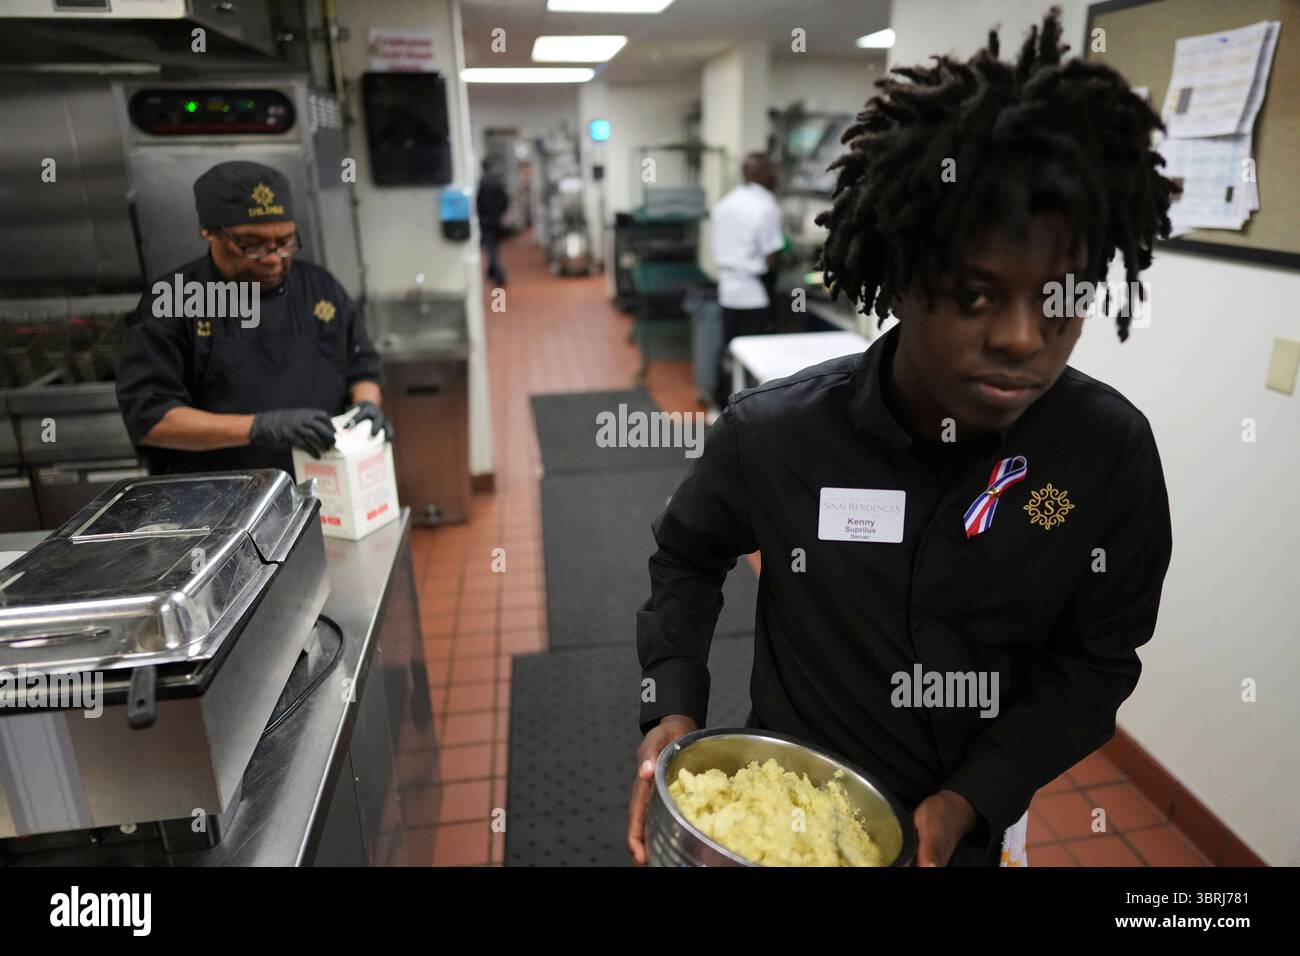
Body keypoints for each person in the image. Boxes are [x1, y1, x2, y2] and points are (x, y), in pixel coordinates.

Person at [628, 9, 1178, 867]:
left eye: (1060, 297)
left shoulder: (1107, 457)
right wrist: (672, 705)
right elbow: (688, 556)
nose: (1023, 338)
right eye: (974, 295)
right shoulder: (775, 439)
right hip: (788, 817)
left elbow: (1097, 659)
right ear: (898, 278)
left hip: (970, 829)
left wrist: (976, 795)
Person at [116, 161, 391, 476]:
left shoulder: (320, 288)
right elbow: (152, 420)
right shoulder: (173, 301)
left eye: (285, 241)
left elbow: (363, 366)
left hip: (323, 487)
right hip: (219, 500)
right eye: (253, 245)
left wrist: (366, 407)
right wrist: (260, 427)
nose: (274, 258)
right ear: (209, 232)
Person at [708, 152, 784, 409]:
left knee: (729, 347)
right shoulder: (766, 206)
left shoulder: (726, 202)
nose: (774, 174)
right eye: (770, 169)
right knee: (754, 354)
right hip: (754, 292)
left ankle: (720, 402)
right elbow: (772, 255)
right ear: (758, 174)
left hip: (728, 289)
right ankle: (748, 408)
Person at [477, 159, 510, 288]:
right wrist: (500, 212)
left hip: (486, 219)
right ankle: (492, 271)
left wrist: (481, 212)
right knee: (494, 246)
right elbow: (505, 199)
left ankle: (498, 274)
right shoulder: (497, 180)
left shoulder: (483, 181)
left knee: (490, 247)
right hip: (496, 218)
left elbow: (478, 201)